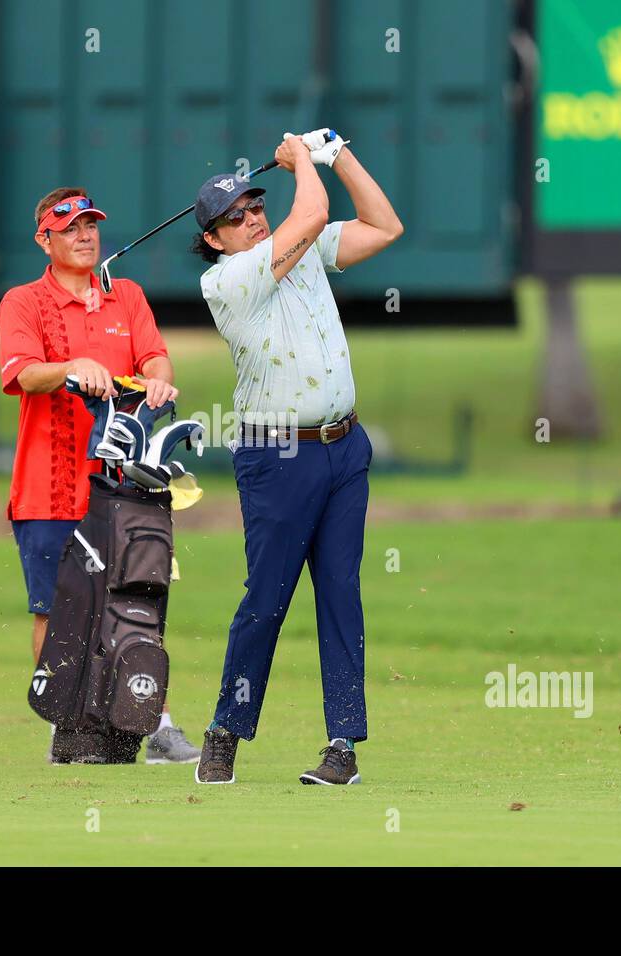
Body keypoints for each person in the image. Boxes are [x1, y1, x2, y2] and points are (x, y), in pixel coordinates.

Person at [191, 130, 403, 785]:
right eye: (235, 218)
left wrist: (337, 155)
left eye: (255, 208)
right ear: (213, 240)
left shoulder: (303, 252)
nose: (251, 219)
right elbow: (307, 215)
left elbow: (385, 225)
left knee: (342, 593)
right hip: (276, 454)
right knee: (268, 598)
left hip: (345, 448)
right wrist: (300, 162)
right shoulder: (227, 280)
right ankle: (226, 728)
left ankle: (343, 744)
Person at [0, 186, 199, 764]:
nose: (85, 236)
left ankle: (151, 721)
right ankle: (70, 729)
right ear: (46, 239)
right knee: (54, 610)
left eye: (91, 226)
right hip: (49, 486)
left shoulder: (126, 296)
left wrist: (158, 377)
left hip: (126, 485)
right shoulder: (23, 302)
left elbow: (155, 357)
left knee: (137, 598)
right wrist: (71, 367)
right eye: (71, 228)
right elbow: (22, 374)